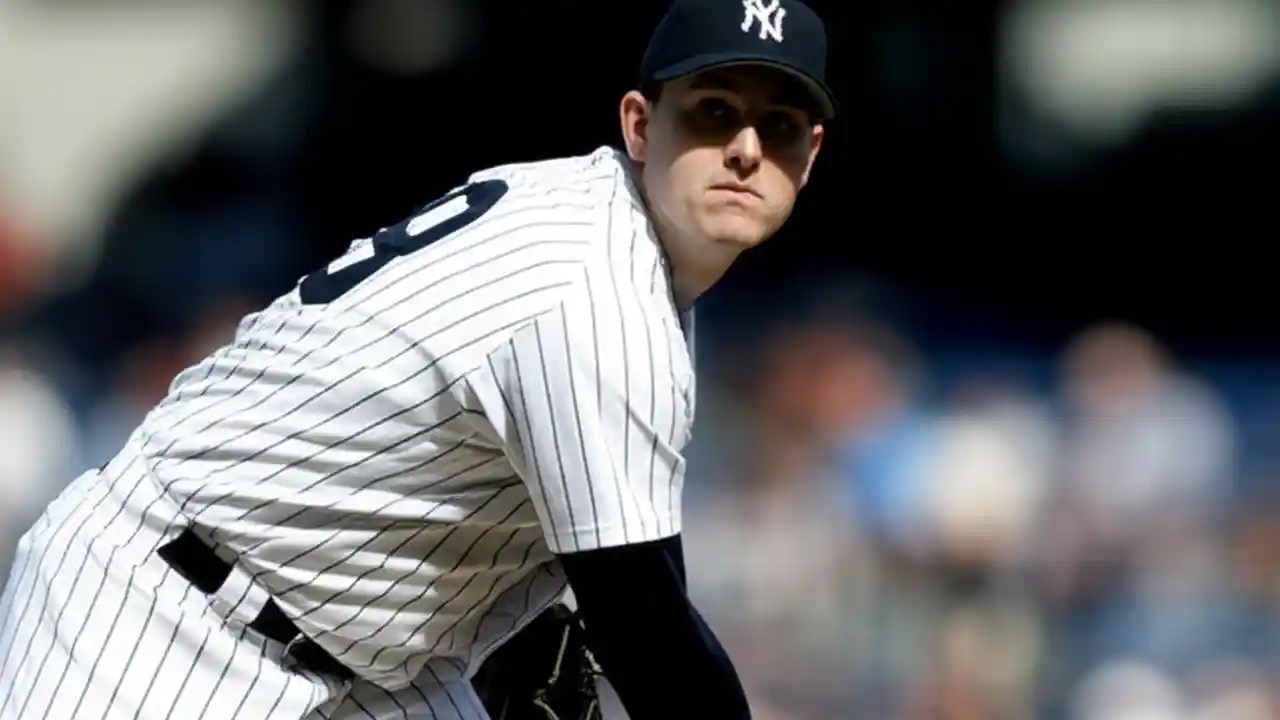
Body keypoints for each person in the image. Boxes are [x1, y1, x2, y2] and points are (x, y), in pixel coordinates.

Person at [0, 0, 835, 717]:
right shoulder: (590, 287)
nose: (746, 150)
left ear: (811, 155)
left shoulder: (612, 233)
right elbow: (643, 621)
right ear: (641, 125)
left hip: (372, 665)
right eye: (715, 112)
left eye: (780, 125)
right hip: (162, 611)